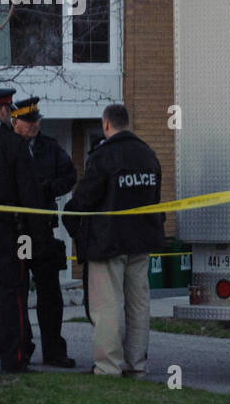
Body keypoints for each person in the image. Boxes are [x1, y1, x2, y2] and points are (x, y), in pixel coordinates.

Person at [64, 104, 164, 377]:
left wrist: (69, 218)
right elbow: (154, 201)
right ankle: (136, 364)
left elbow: (85, 197)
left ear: (106, 125)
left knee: (107, 306)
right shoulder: (148, 155)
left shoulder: (104, 156)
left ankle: (108, 367)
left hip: (107, 243)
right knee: (138, 306)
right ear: (127, 123)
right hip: (141, 242)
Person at [0, 87, 49, 372]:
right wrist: (37, 238)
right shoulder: (13, 144)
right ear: (5, 111)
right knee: (11, 293)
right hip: (8, 229)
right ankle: (12, 357)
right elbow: (30, 195)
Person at [12, 96, 78, 368]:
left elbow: (70, 176)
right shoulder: (7, 146)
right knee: (16, 291)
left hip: (42, 229)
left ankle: (53, 350)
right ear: (15, 121)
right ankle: (21, 348)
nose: (34, 126)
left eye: (36, 121)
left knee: (50, 292)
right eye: (29, 122)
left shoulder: (49, 148)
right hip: (16, 230)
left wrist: (50, 187)